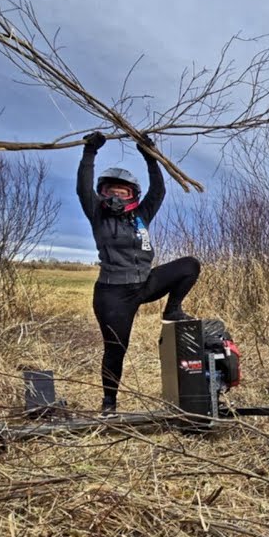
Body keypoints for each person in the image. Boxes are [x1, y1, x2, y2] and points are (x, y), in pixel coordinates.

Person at [78, 130, 201, 415]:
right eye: (111, 192)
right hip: (113, 294)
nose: (117, 197)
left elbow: (159, 191)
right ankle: (109, 403)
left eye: (122, 192)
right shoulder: (97, 215)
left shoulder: (141, 216)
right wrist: (89, 153)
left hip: (143, 284)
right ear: (102, 194)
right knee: (116, 349)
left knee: (190, 265)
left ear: (132, 195)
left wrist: (150, 156)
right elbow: (82, 188)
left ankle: (173, 310)